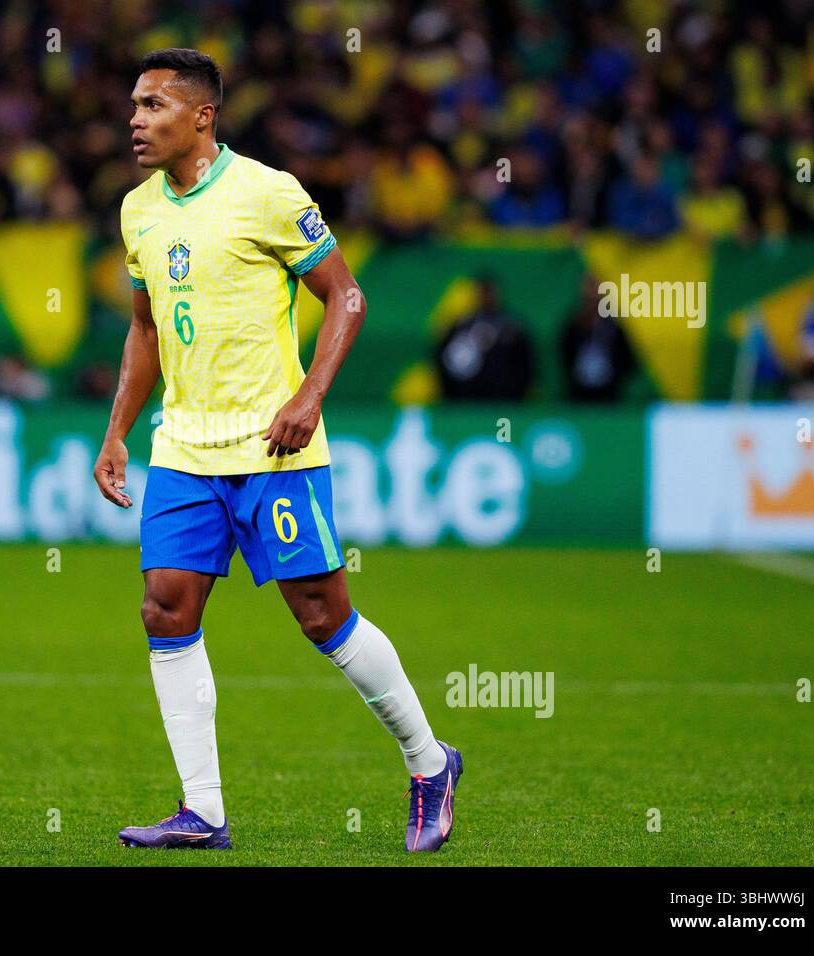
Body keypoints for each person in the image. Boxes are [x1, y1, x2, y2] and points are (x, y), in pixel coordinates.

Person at [93, 49, 461, 853]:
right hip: (185, 446)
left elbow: (347, 296)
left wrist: (308, 397)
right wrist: (119, 429)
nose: (135, 120)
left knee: (321, 614)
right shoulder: (137, 212)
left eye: (153, 105)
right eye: (132, 105)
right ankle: (203, 811)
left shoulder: (267, 192)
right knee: (165, 606)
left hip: (275, 445)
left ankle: (429, 762)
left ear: (201, 117)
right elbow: (146, 328)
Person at [436, 276, 534, 400]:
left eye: (490, 292)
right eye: (482, 292)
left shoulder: (513, 327)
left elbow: (525, 364)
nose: (487, 297)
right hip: (469, 402)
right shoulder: (461, 327)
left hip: (506, 401)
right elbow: (447, 362)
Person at [560, 276, 636, 402]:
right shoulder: (573, 326)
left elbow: (626, 357)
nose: (593, 301)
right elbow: (565, 353)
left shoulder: (616, 327)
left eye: (596, 296)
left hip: (610, 393)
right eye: (589, 298)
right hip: (578, 394)